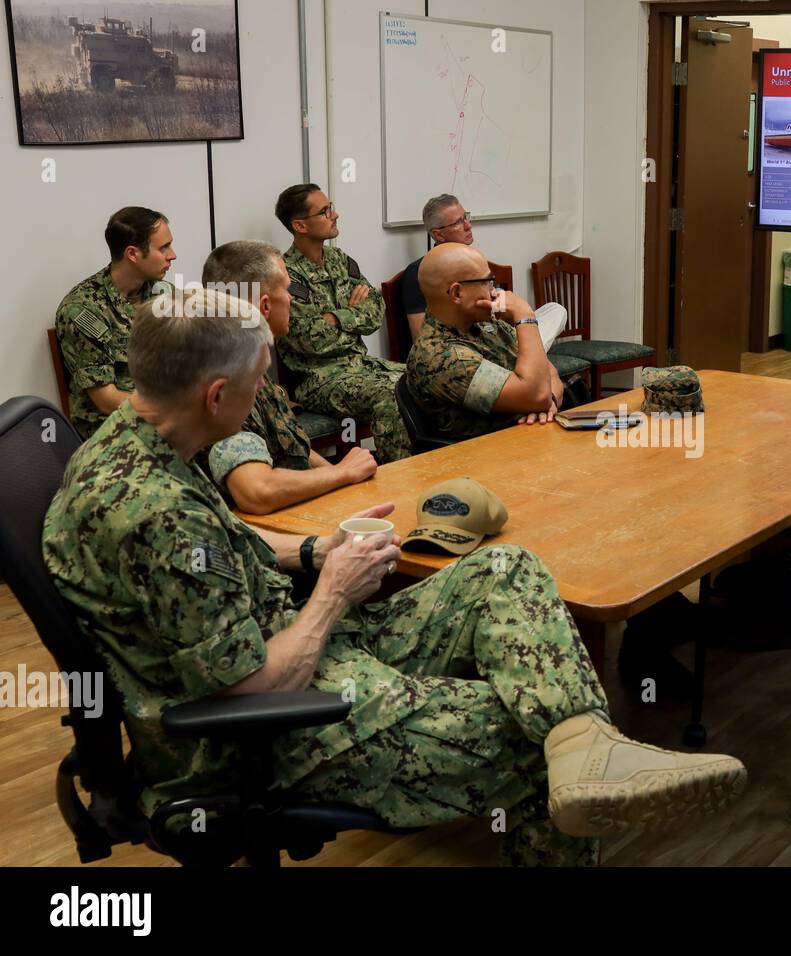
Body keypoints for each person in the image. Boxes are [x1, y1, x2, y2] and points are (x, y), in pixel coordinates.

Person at [42, 287, 746, 866]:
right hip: (256, 729)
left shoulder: (135, 437)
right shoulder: (153, 513)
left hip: (292, 639)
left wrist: (314, 554)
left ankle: (582, 742)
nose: (263, 396)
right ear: (217, 393)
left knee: (505, 566)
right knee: (525, 739)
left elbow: (223, 543)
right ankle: (573, 749)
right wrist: (334, 593)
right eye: (258, 385)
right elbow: (248, 686)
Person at [200, 240, 377, 514]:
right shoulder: (224, 376)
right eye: (286, 288)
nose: (292, 298)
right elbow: (257, 492)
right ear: (265, 305)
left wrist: (345, 486)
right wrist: (342, 474)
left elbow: (295, 447)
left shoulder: (246, 360)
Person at [274, 184, 411, 463]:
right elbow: (309, 340)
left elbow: (375, 310)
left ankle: (433, 464)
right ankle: (399, 474)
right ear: (300, 225)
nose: (335, 215)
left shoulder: (340, 260)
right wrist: (351, 313)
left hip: (362, 366)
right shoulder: (286, 274)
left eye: (331, 207)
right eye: (325, 211)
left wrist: (337, 317)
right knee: (389, 394)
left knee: (423, 378)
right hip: (319, 381)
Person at [406, 243, 566, 441]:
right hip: (491, 458)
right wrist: (525, 316)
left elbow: (549, 373)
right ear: (457, 293)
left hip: (531, 439)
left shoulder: (486, 324)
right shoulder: (441, 355)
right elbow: (537, 395)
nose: (495, 291)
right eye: (488, 282)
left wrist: (549, 401)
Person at [54, 206, 175, 438]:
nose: (173, 255)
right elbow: (106, 401)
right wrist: (172, 411)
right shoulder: (83, 311)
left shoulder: (162, 292)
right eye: (164, 248)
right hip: (115, 428)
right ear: (133, 254)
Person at [401, 193, 473, 339]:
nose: (468, 225)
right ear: (439, 235)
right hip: (455, 352)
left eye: (466, 217)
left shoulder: (475, 263)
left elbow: (498, 308)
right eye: (458, 222)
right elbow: (421, 337)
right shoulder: (419, 273)